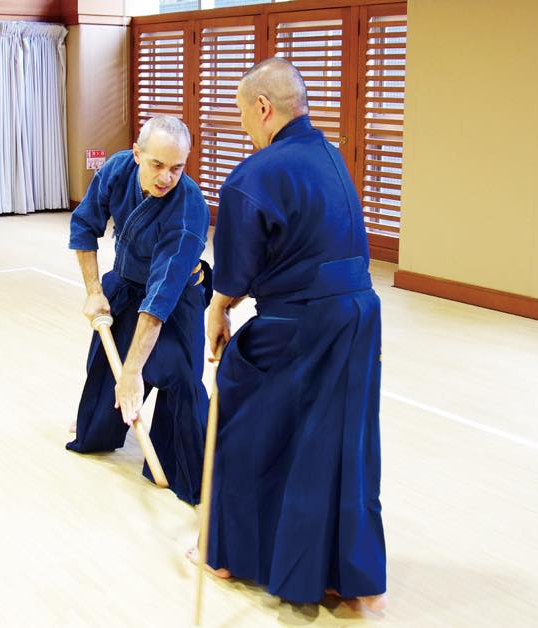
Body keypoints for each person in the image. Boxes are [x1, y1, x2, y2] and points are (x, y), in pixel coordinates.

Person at [198, 57, 387, 609]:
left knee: (239, 415)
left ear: (263, 108)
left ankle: (230, 553)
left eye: (241, 113)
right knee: (341, 441)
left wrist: (218, 310)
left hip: (305, 322)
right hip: (361, 315)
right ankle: (338, 573)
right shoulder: (331, 155)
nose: (241, 126)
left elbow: (235, 274)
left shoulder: (255, 173)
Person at [66, 115, 212, 505]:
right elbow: (85, 225)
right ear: (136, 154)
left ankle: (188, 470)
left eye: (177, 167)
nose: (167, 177)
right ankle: (97, 428)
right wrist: (94, 290)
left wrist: (133, 373)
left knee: (177, 373)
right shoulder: (116, 169)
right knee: (103, 367)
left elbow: (159, 301)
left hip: (177, 296)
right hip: (126, 282)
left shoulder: (188, 211)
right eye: (157, 165)